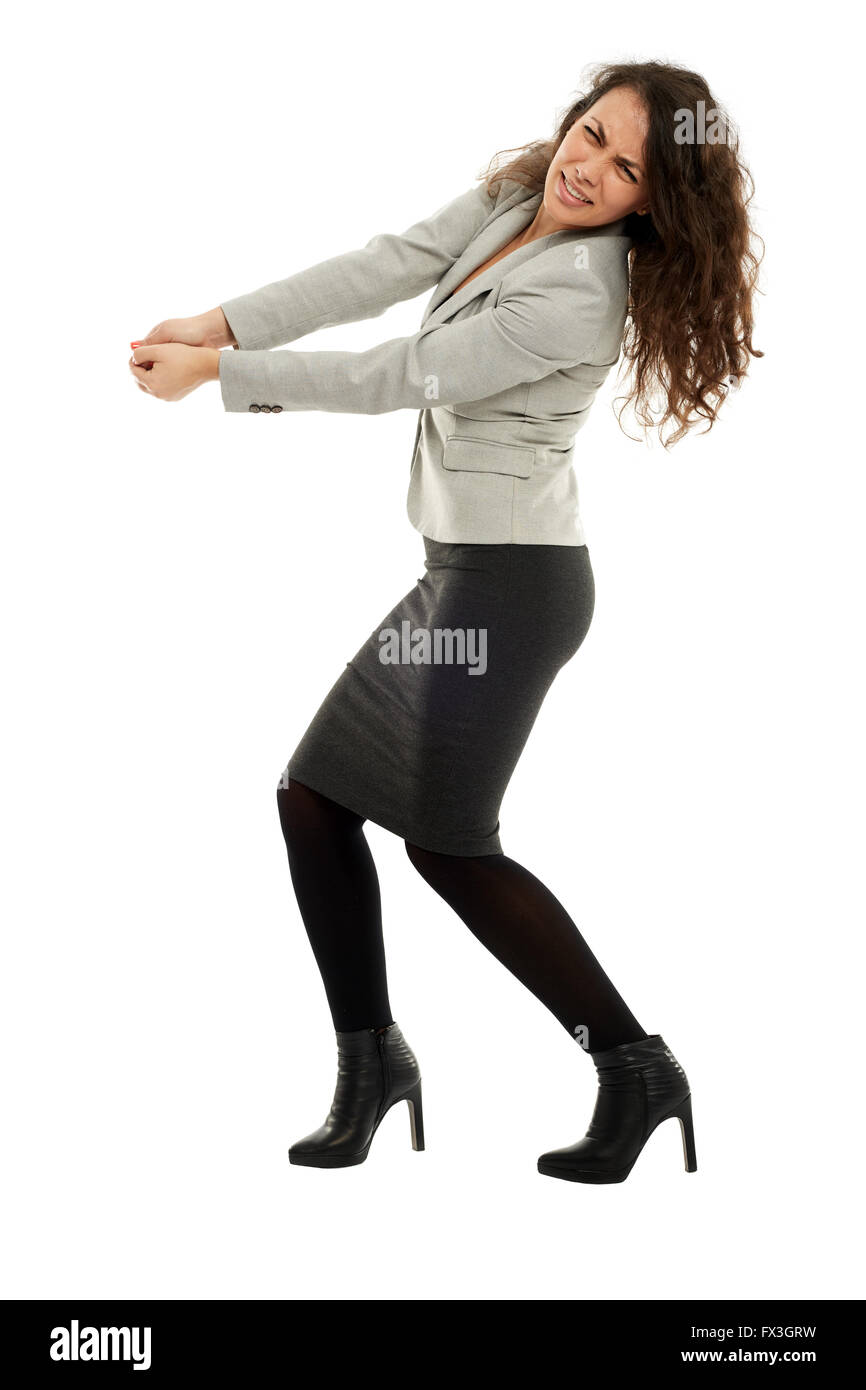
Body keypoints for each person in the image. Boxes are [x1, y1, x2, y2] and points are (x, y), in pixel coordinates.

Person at [130, 59, 762, 1184]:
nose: (590, 167)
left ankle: (633, 1066)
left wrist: (222, 377)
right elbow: (385, 266)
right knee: (314, 797)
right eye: (593, 133)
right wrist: (219, 319)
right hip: (459, 572)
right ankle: (373, 1065)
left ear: (649, 206)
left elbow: (407, 372)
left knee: (448, 846)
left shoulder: (582, 290)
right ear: (570, 119)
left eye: (627, 170)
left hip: (510, 593)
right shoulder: (521, 197)